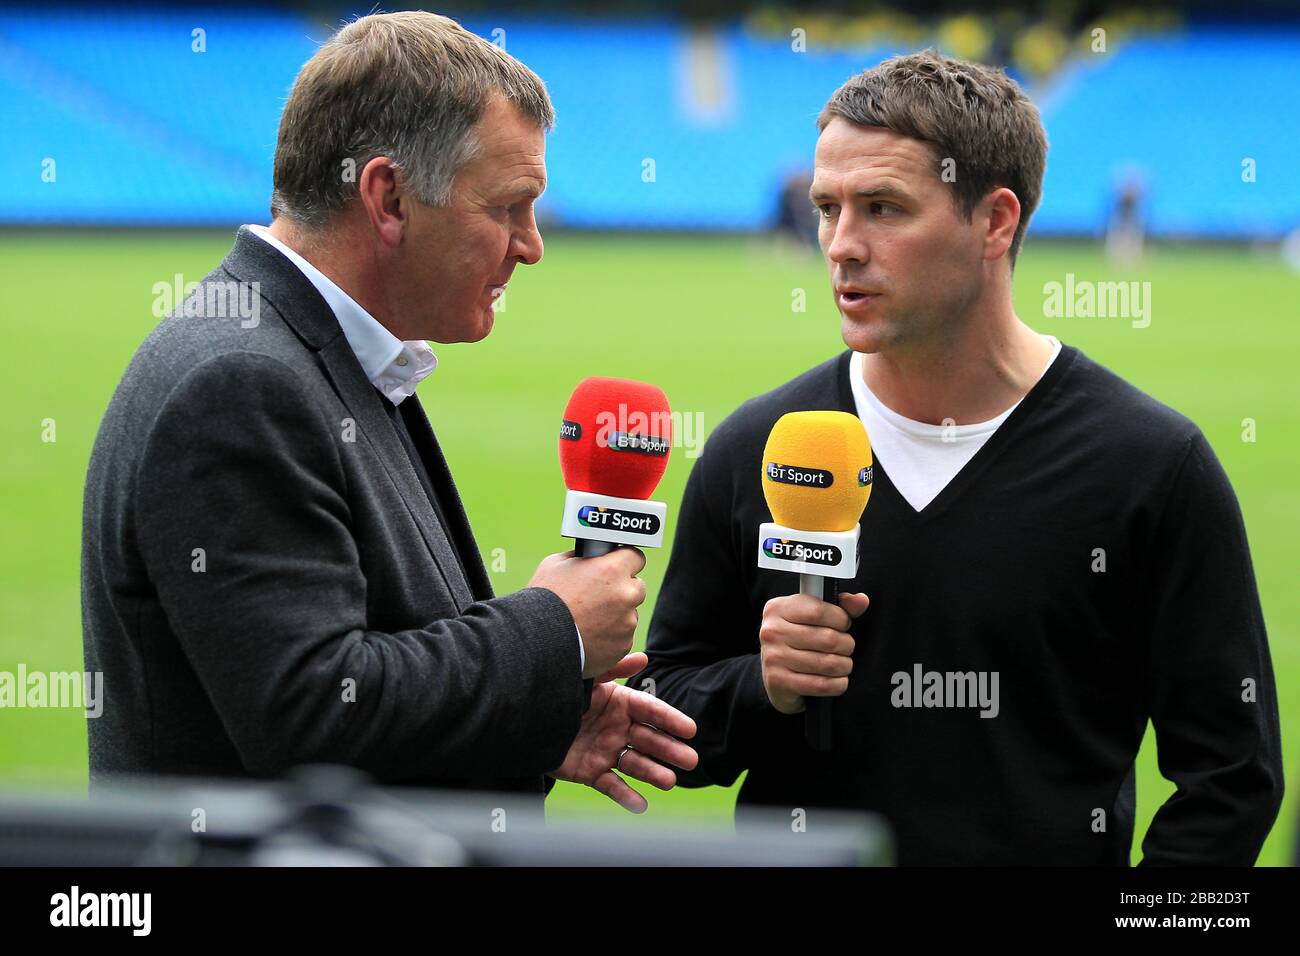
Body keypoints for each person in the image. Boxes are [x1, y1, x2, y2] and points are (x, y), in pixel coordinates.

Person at [630, 50, 1283, 864]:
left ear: (995, 222)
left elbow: (1231, 777)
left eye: (883, 208)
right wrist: (763, 685)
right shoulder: (760, 448)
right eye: (827, 208)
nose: (840, 245)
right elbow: (662, 709)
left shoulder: (1152, 466)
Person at [81, 11, 696, 812]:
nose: (531, 244)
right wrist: (554, 629)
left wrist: (533, 719)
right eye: (509, 207)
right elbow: (313, 715)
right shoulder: (243, 382)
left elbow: (365, 681)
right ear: (390, 198)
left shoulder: (315, 351)